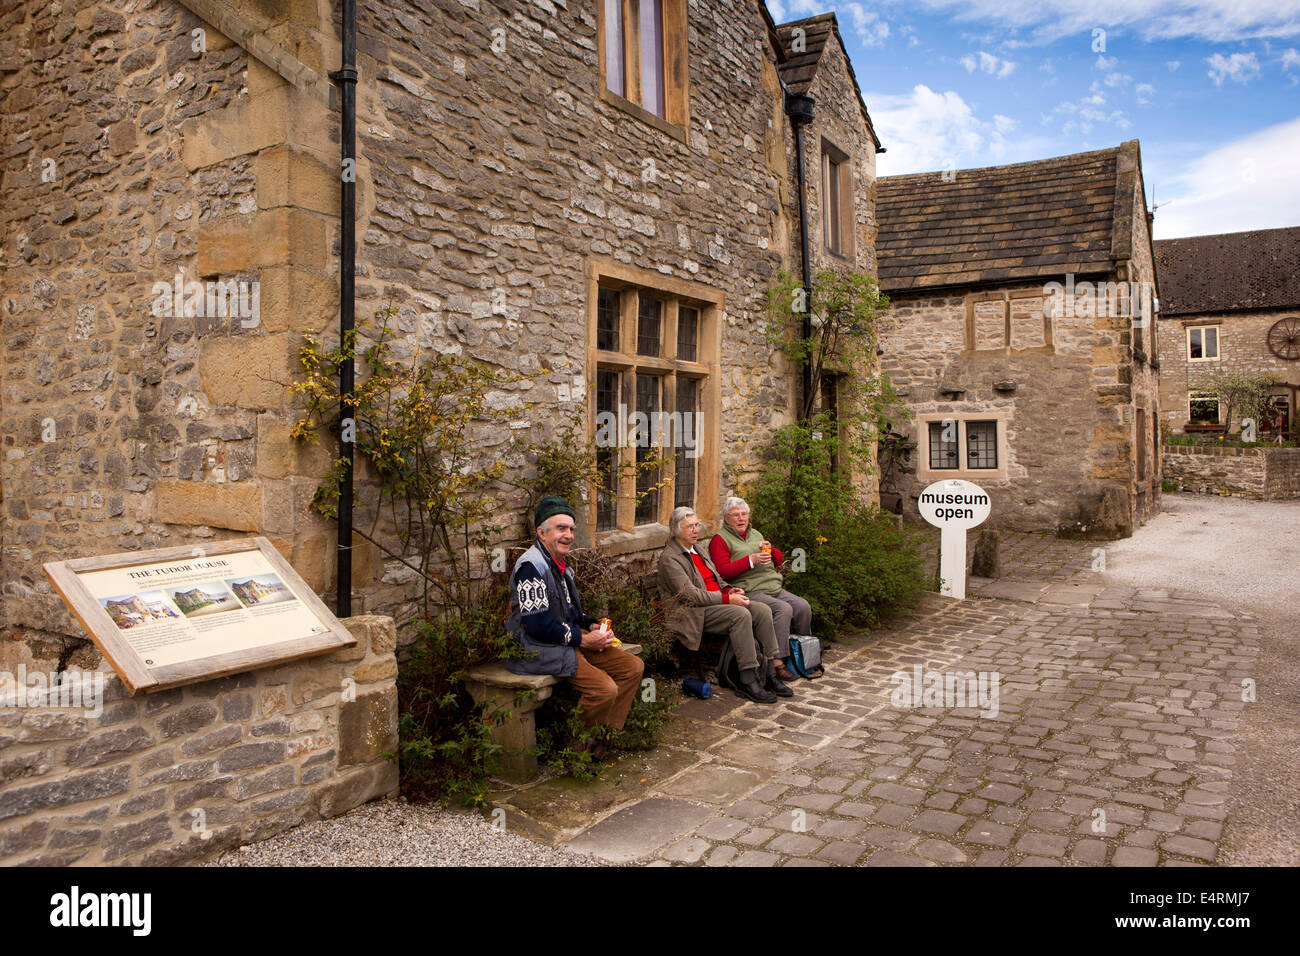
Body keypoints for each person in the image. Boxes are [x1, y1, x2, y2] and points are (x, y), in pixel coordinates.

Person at [505, 497, 644, 756]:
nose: (568, 535)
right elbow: (536, 625)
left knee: (632, 667)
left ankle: (604, 735)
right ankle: (578, 748)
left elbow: (573, 612)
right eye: (561, 529)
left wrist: (592, 626)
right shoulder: (531, 567)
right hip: (535, 647)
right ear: (541, 532)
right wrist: (581, 640)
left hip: (564, 640)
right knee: (604, 689)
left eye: (570, 529)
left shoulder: (561, 565)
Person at [656, 506, 792, 703]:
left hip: (716, 602)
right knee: (740, 615)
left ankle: (770, 673)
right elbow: (691, 596)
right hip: (693, 613)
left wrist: (729, 590)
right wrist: (728, 599)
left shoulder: (698, 550)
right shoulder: (670, 559)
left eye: (696, 525)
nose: (695, 530)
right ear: (676, 531)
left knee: (762, 610)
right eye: (689, 527)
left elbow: (717, 579)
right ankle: (747, 678)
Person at [709, 496, 812, 682]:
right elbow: (722, 571)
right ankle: (777, 663)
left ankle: (804, 651)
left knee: (802, 606)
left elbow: (778, 560)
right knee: (783, 609)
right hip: (749, 590)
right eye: (735, 515)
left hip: (772, 586)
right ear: (726, 519)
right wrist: (750, 561)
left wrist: (771, 550)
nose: (741, 518)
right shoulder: (720, 540)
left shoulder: (755, 534)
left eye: (744, 514)